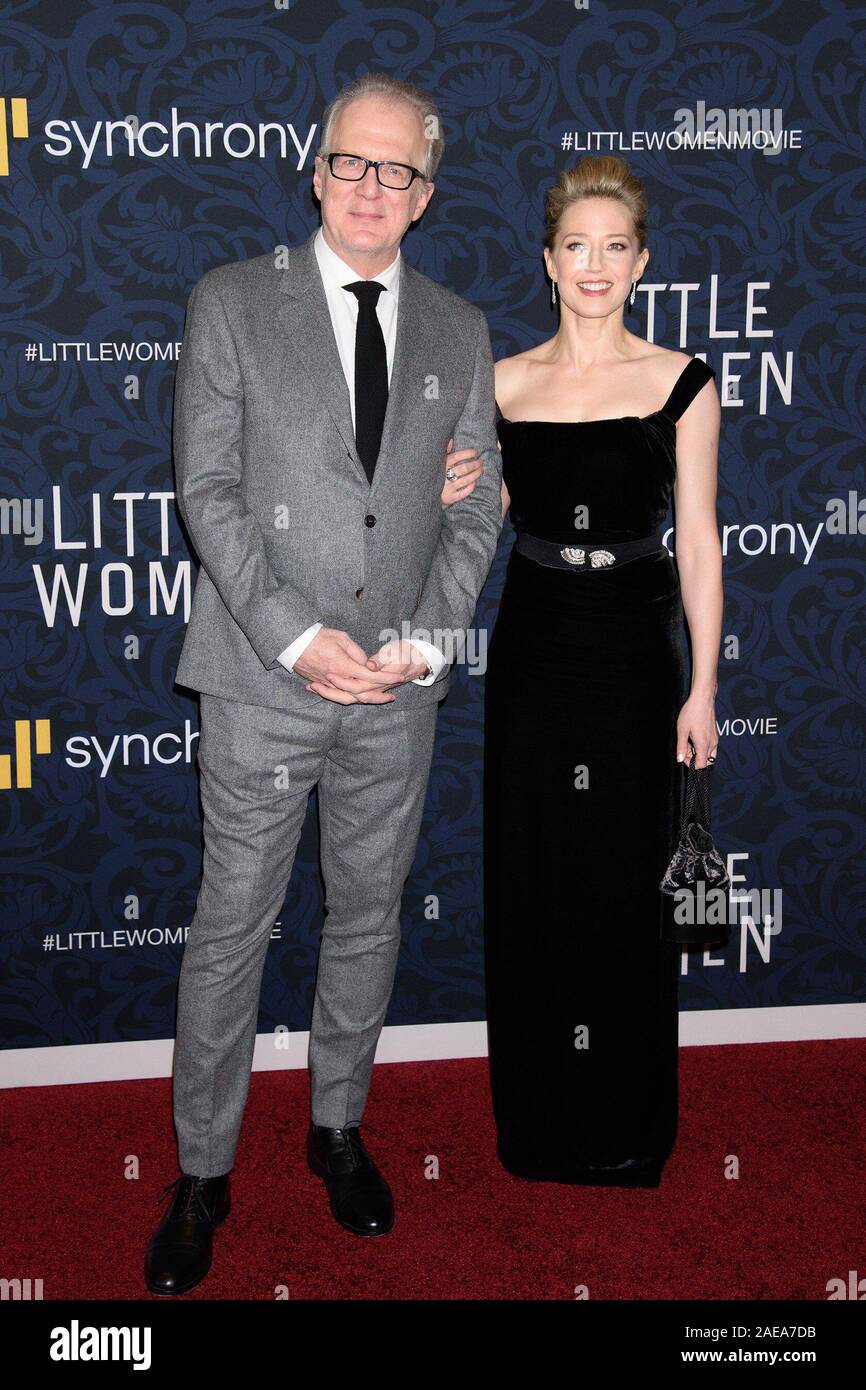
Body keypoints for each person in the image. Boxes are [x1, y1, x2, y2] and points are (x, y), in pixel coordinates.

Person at [144, 72, 502, 1295]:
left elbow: (477, 509)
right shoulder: (234, 302)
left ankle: (337, 1128)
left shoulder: (459, 328)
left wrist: (429, 637)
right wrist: (299, 639)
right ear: (314, 169)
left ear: (425, 195)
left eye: (395, 170)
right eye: (351, 162)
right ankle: (202, 1172)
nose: (369, 186)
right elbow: (211, 494)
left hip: (399, 691)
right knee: (230, 930)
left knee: (365, 916)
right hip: (261, 682)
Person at [448, 155, 723, 1186]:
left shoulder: (680, 381)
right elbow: (478, 527)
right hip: (534, 647)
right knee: (533, 880)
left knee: (620, 889)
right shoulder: (501, 384)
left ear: (639, 263)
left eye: (616, 247)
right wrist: (447, 493)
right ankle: (539, 1126)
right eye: (577, 246)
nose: (595, 265)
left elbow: (697, 541)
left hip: (632, 650)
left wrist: (700, 688)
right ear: (548, 262)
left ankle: (622, 1126)